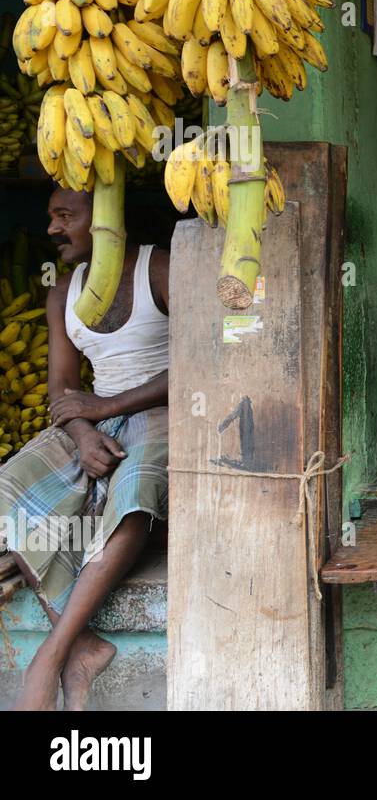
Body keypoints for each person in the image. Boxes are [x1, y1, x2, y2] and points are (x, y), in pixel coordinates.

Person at [0, 188, 169, 711]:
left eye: (63, 216)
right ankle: (82, 648)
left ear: (106, 219)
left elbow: (201, 359)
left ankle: (51, 655)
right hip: (94, 416)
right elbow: (62, 389)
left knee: (135, 482)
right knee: (11, 483)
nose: (52, 228)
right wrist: (83, 431)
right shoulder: (63, 293)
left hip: (165, 410)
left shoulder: (158, 269)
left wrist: (104, 407)